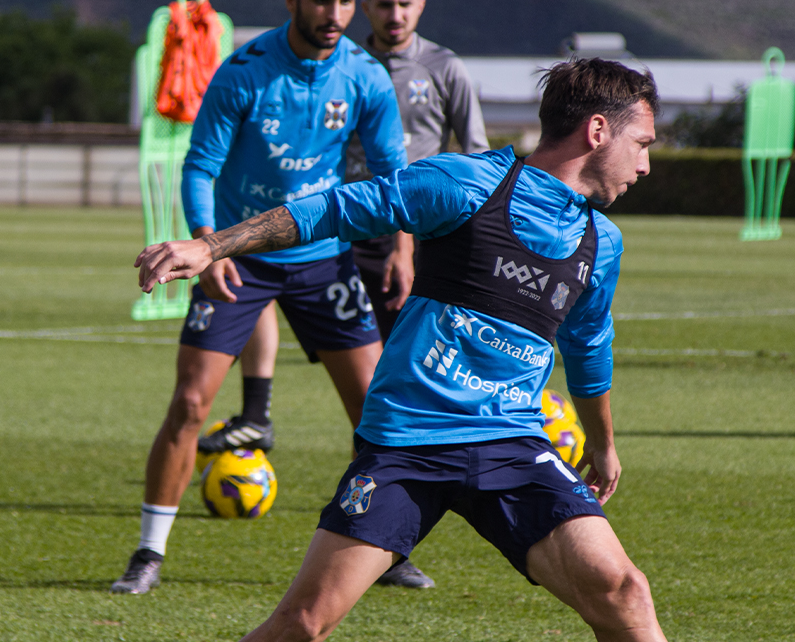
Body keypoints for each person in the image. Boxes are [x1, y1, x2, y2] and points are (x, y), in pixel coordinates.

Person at [134, 58, 668, 641]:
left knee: (624, 593)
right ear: (597, 131)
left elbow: (590, 348)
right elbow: (334, 209)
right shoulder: (465, 185)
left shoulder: (600, 242)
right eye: (641, 144)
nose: (644, 165)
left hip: (512, 445)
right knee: (303, 623)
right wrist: (213, 246)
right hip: (409, 446)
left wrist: (604, 445)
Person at [110, 0, 410, 594]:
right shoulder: (244, 71)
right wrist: (207, 246)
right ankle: (148, 552)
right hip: (240, 261)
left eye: (345, 2)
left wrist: (403, 250)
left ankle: (389, 546)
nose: (335, 15)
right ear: (293, 0)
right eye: (322, 0)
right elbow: (200, 167)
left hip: (324, 259)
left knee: (376, 414)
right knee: (191, 403)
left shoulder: (364, 75)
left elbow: (394, 176)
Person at [197, 0, 491, 590]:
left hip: (406, 232)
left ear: (419, 7)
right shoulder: (337, 62)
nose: (387, 15)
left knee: (384, 388)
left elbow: (471, 153)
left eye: (397, 4)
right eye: (379, 4)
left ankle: (393, 524)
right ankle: (260, 415)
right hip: (335, 227)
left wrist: (412, 244)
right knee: (307, 332)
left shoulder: (441, 68)